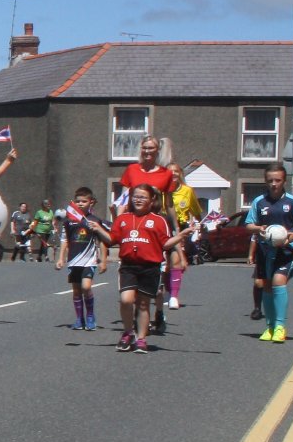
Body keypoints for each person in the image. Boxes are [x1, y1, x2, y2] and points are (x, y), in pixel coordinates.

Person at [118, 137, 199, 337]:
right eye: (144, 148)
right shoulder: (131, 170)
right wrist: (119, 222)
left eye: (151, 148)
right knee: (133, 275)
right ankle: (138, 320)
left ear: (157, 151)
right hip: (135, 227)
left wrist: (175, 229)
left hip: (156, 227)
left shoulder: (165, 174)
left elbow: (169, 204)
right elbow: (123, 198)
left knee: (157, 278)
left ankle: (159, 312)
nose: (147, 151)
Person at [246, 164, 293, 342]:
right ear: (265, 181)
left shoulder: (292, 201)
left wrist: (292, 235)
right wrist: (258, 228)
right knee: (266, 286)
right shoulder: (259, 202)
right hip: (265, 250)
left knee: (278, 281)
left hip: (286, 250)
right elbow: (249, 225)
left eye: (277, 180)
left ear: (284, 181)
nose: (274, 184)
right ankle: (270, 326)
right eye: (270, 180)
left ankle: (280, 326)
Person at [110, 183, 174, 353]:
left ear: (152, 200)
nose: (138, 200)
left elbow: (166, 243)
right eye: (135, 196)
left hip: (150, 267)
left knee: (143, 304)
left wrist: (181, 236)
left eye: (143, 197)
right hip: (128, 266)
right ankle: (128, 332)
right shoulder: (123, 218)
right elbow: (111, 238)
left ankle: (141, 339)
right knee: (126, 300)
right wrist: (97, 229)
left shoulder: (159, 220)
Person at [56, 187, 108, 332]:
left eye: (84, 201)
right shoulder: (69, 221)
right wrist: (61, 258)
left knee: (86, 287)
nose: (80, 204)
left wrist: (103, 260)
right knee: (76, 290)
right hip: (74, 260)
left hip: (89, 260)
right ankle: (79, 319)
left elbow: (103, 241)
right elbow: (64, 240)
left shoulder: (94, 220)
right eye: (78, 201)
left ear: (91, 202)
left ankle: (90, 316)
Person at [164, 164, 201, 309]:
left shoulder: (187, 191)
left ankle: (174, 296)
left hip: (180, 227)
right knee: (164, 263)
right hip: (162, 226)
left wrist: (198, 224)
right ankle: (167, 290)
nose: (173, 174)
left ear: (180, 173)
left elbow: (196, 211)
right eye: (170, 171)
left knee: (176, 259)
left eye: (176, 171)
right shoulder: (161, 190)